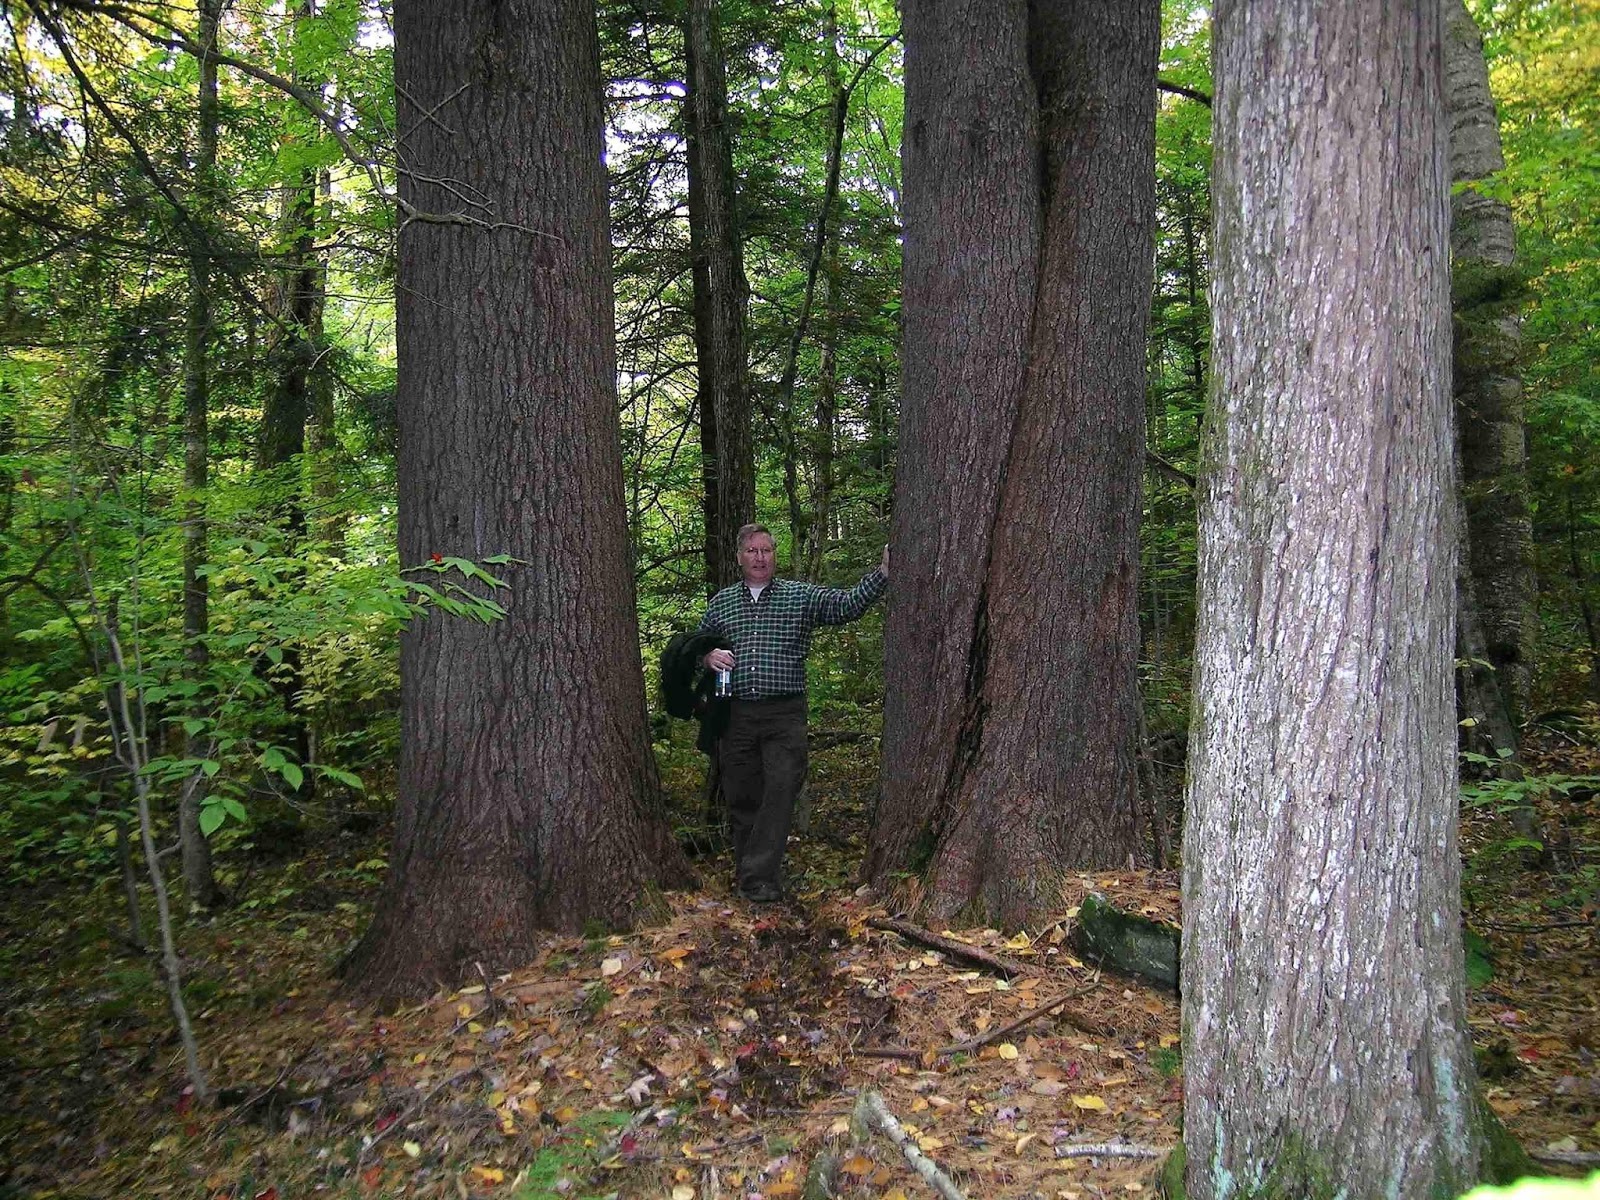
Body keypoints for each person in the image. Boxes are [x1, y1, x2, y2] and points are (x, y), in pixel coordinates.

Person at [699, 524, 890, 902]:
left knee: (782, 787)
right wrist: (706, 656)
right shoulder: (721, 603)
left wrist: (883, 574)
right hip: (735, 715)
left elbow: (845, 605)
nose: (759, 558)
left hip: (783, 714)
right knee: (742, 797)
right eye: (752, 551)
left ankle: (756, 878)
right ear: (739, 557)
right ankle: (753, 878)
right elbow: (694, 646)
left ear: (775, 555)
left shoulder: (799, 596)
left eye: (766, 550)